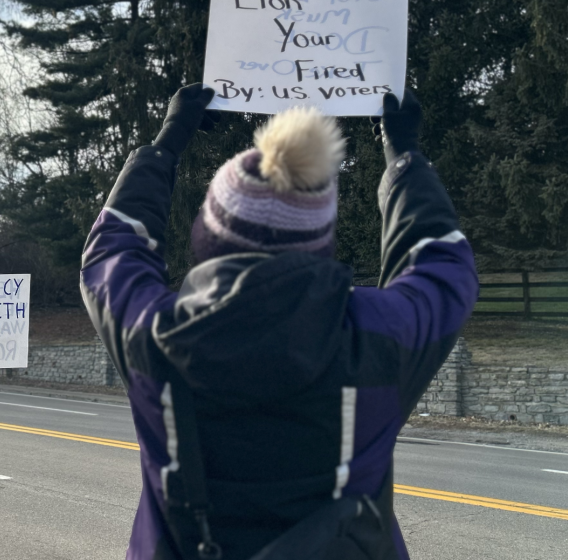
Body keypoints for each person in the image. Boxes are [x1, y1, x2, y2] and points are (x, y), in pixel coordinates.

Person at [80, 85, 478, 559]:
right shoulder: (374, 338)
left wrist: (166, 143)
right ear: (321, 240)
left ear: (208, 235)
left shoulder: (152, 333)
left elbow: (112, 250)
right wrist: (404, 156)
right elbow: (442, 264)